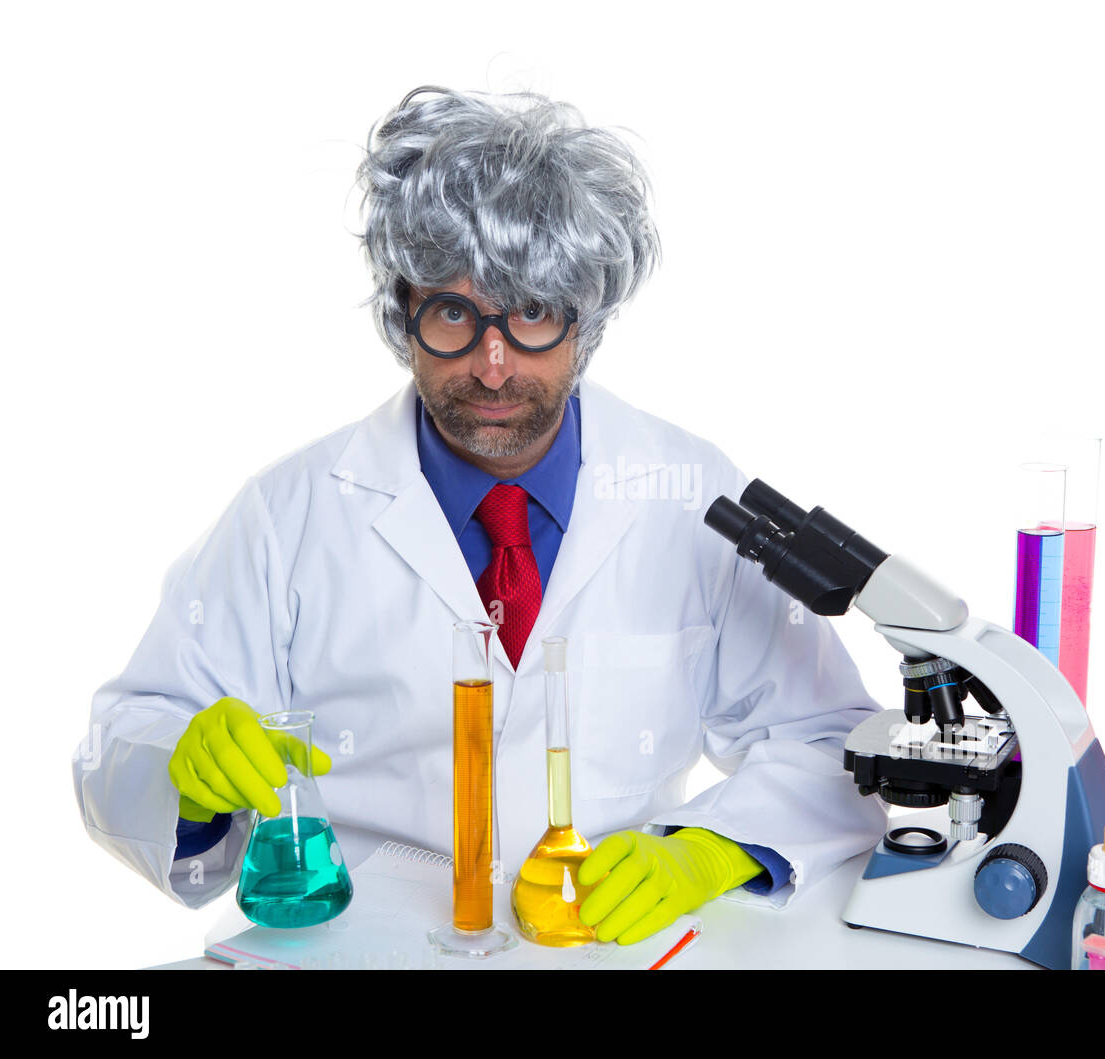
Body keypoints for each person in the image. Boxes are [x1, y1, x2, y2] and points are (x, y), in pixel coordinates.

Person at [72, 85, 885, 946]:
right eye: (454, 313)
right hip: (362, 943)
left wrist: (707, 849)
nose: (493, 368)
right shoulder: (291, 512)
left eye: (532, 313)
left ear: (589, 320)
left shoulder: (686, 492)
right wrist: (184, 771)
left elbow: (835, 735)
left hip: (604, 941)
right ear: (402, 315)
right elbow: (120, 741)